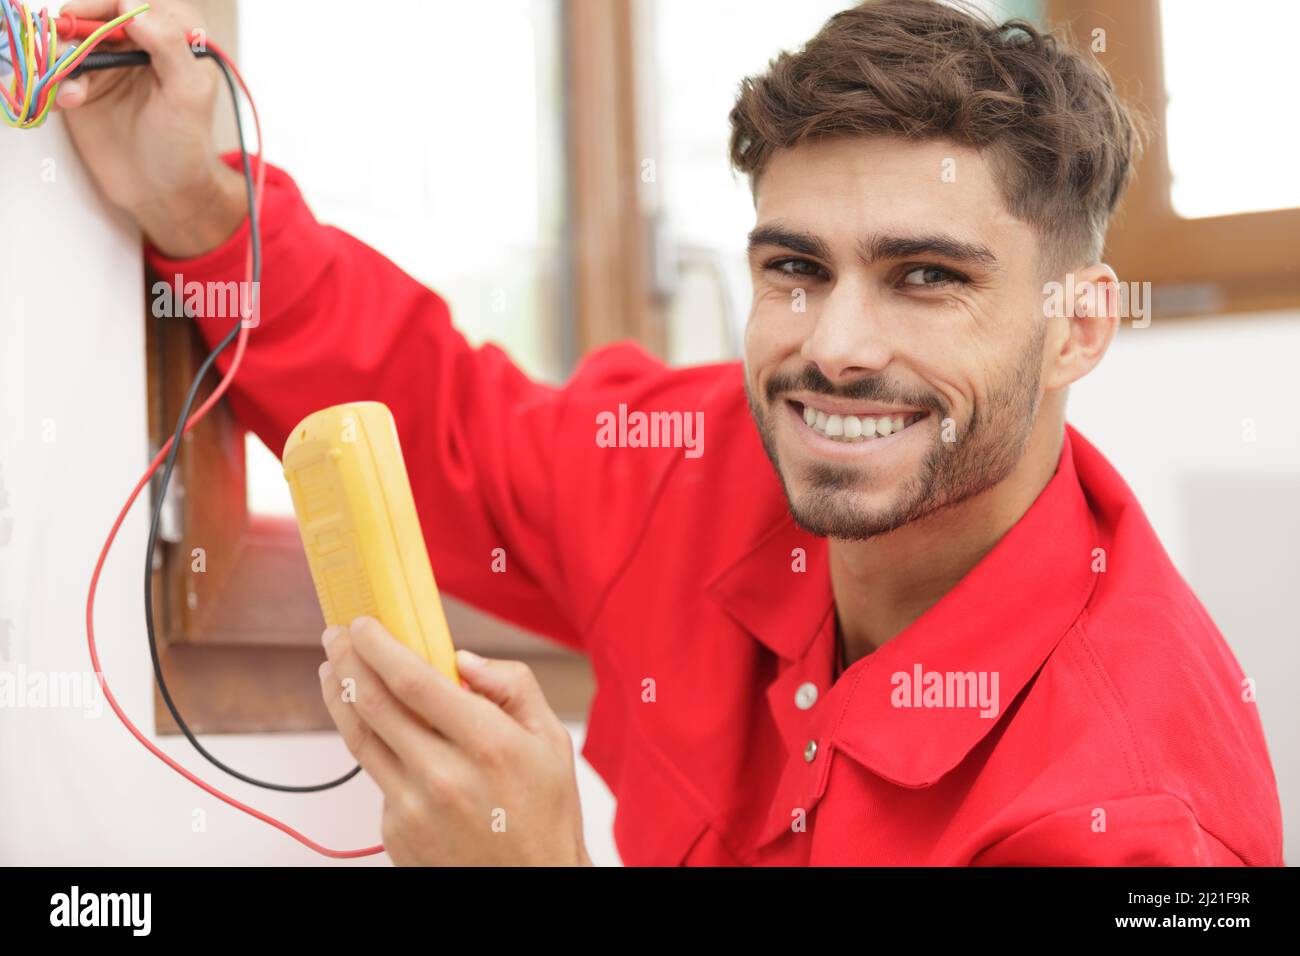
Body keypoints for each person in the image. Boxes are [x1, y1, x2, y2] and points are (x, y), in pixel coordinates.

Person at [56, 0, 1284, 866]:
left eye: (926, 277)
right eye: (795, 267)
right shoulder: (696, 465)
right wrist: (195, 202)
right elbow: (449, 429)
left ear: (1078, 326)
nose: (835, 345)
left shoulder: (1136, 820)